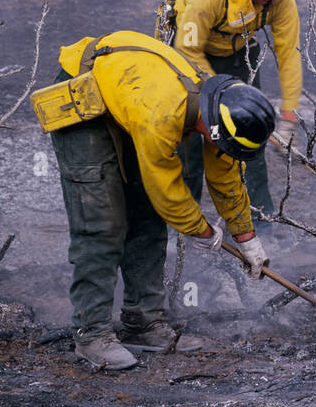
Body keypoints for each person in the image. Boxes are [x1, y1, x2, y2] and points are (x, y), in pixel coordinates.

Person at [47, 30, 275, 371]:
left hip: (128, 96)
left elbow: (225, 174)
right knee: (102, 224)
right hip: (84, 94)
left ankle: (142, 322)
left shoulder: (217, 106)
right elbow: (166, 192)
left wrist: (246, 237)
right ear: (216, 127)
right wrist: (201, 231)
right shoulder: (165, 114)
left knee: (147, 217)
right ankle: (92, 335)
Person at [156, 0, 301, 228]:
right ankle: (184, 223)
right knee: (188, 140)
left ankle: (259, 217)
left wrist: (289, 115)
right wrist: (223, 96)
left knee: (251, 133)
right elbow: (188, 49)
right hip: (189, 54)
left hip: (238, 54)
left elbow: (289, 56)